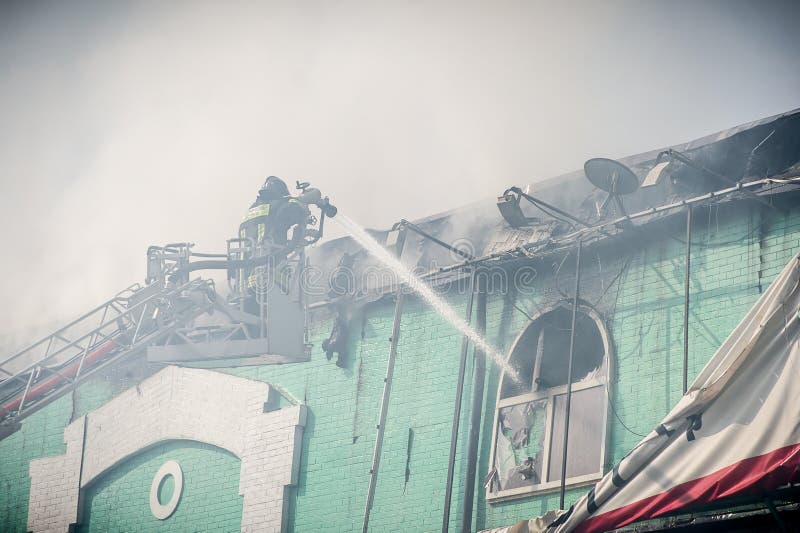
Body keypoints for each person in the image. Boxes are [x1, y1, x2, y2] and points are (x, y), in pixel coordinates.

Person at [238, 176, 309, 317]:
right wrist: (304, 200)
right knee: (278, 322)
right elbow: (293, 208)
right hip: (271, 274)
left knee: (259, 326)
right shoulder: (275, 207)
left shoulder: (249, 214)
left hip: (246, 281)